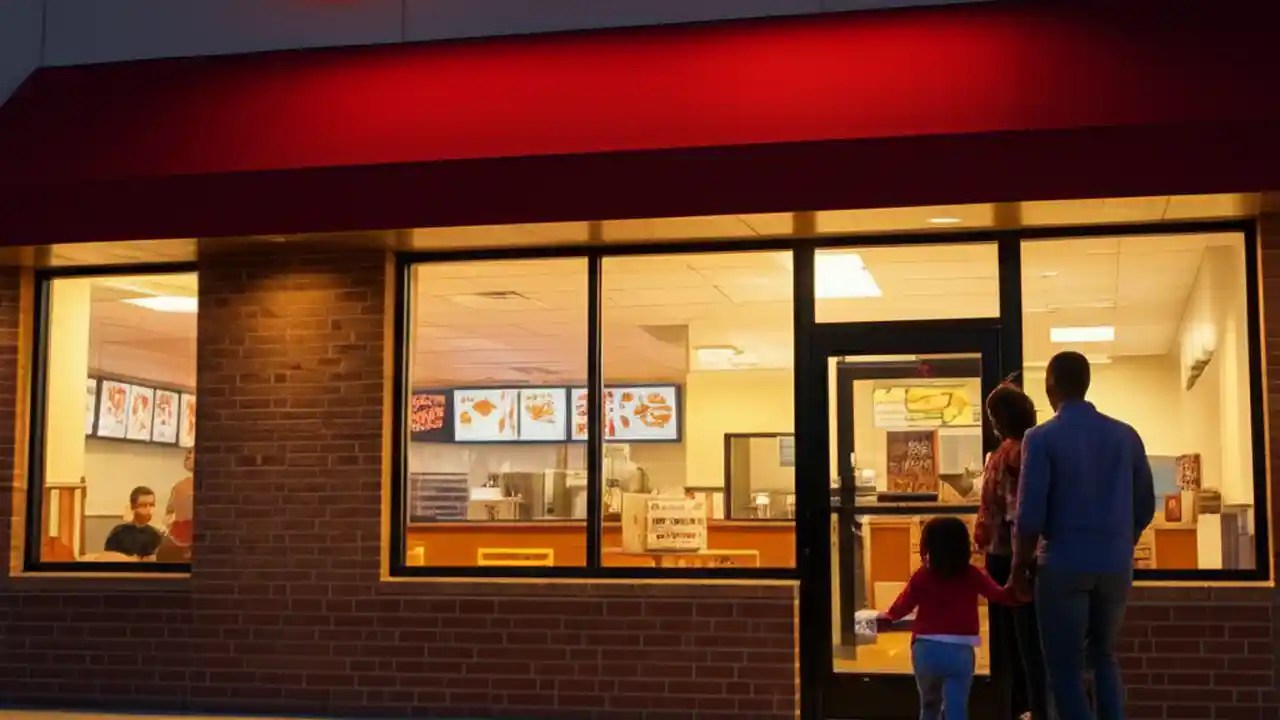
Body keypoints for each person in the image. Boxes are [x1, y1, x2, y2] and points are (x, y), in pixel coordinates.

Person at [1011, 351, 1156, 720]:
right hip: (1115, 564)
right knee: (1103, 657)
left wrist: (1019, 570)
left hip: (1062, 564)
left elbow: (1029, 517)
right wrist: (1122, 541)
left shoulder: (1040, 438)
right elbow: (1145, 506)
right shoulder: (1126, 436)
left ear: (1051, 384)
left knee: (1064, 668)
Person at [880, 516, 1020, 720]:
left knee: (929, 705)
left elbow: (904, 603)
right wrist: (1019, 589)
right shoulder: (973, 574)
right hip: (960, 650)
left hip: (925, 649)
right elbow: (1000, 595)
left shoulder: (922, 575)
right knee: (957, 708)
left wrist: (889, 616)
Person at [975, 382, 1048, 720]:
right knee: (1028, 642)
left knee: (1010, 641)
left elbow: (1005, 511)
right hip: (1016, 556)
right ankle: (1031, 706)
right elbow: (1020, 514)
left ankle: (1015, 705)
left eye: (993, 416)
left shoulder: (1001, 455)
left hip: (1000, 556)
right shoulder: (1023, 453)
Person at [104, 485, 163, 559]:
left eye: (151, 505)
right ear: (133, 507)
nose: (149, 510)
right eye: (144, 505)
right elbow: (107, 558)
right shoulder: (118, 533)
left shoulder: (156, 536)